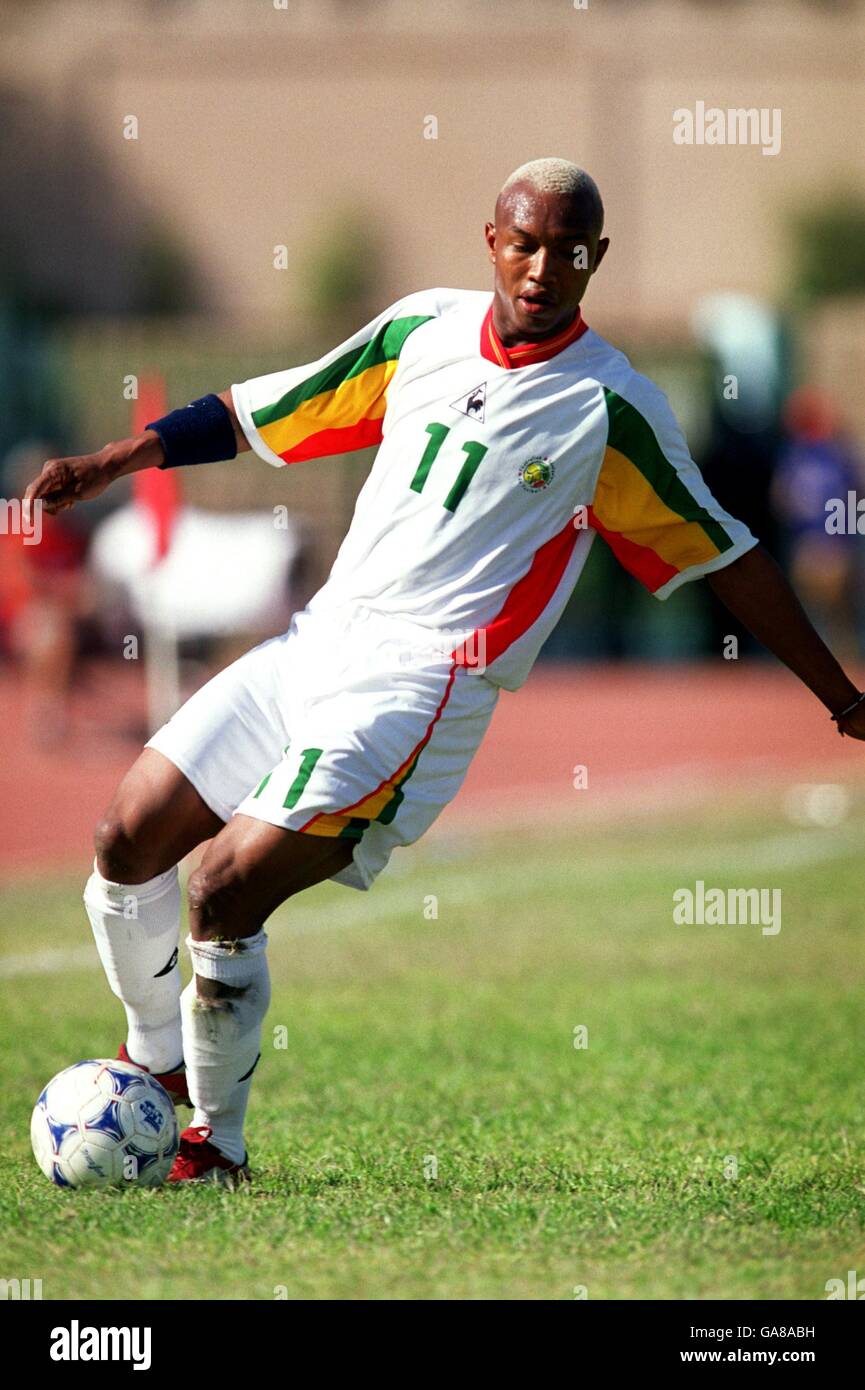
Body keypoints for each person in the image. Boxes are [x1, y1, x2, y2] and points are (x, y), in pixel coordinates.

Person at [23, 158, 865, 1185]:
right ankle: (154, 1062)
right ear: (491, 242)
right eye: (525, 243)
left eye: (569, 250)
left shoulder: (613, 407)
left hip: (421, 687)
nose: (543, 268)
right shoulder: (421, 327)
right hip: (318, 639)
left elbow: (726, 555)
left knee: (223, 886)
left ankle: (217, 1147)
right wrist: (114, 460)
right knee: (124, 837)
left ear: (597, 258)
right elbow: (262, 410)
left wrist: (841, 698)